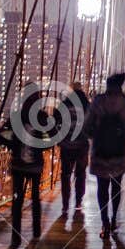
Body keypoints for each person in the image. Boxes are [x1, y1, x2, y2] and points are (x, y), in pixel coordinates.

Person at [0, 91, 57, 249]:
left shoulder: (17, 116)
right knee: (35, 197)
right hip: (35, 165)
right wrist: (43, 146)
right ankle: (36, 231)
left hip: (18, 164)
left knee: (17, 200)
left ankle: (16, 238)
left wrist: (12, 146)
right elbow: (55, 135)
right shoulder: (42, 116)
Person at [84, 71, 125, 238]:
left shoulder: (98, 101)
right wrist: (123, 134)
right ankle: (114, 218)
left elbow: (87, 128)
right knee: (116, 186)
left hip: (100, 152)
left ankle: (104, 223)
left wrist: (97, 135)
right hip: (118, 153)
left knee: (102, 188)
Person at [57, 81, 92, 214]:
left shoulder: (64, 104)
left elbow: (54, 120)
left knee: (65, 174)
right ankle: (78, 201)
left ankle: (65, 204)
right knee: (81, 173)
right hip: (82, 145)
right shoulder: (87, 105)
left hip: (66, 145)